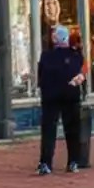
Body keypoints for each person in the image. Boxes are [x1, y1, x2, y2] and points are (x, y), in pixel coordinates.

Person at [37, 25, 85, 175]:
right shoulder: (75, 56)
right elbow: (80, 74)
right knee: (71, 131)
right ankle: (73, 161)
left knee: (50, 131)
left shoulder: (47, 56)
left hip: (52, 98)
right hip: (68, 97)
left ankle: (46, 163)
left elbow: (41, 77)